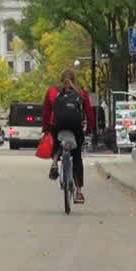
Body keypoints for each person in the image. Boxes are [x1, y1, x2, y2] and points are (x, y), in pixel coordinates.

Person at [42, 69, 94, 204]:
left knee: (56, 143)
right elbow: (89, 112)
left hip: (58, 126)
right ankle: (79, 192)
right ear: (74, 79)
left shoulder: (52, 91)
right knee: (77, 156)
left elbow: (46, 111)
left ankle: (54, 161)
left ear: (61, 79)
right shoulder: (81, 93)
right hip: (76, 127)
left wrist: (46, 128)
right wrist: (89, 129)